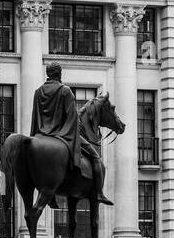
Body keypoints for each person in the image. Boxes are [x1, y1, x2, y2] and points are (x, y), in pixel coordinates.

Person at [31, 63, 113, 205]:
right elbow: (72, 117)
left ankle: (49, 194)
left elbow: (35, 115)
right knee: (95, 157)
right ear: (59, 74)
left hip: (42, 134)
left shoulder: (38, 91)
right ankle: (99, 193)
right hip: (63, 133)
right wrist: (70, 132)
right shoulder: (65, 90)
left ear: (48, 73)